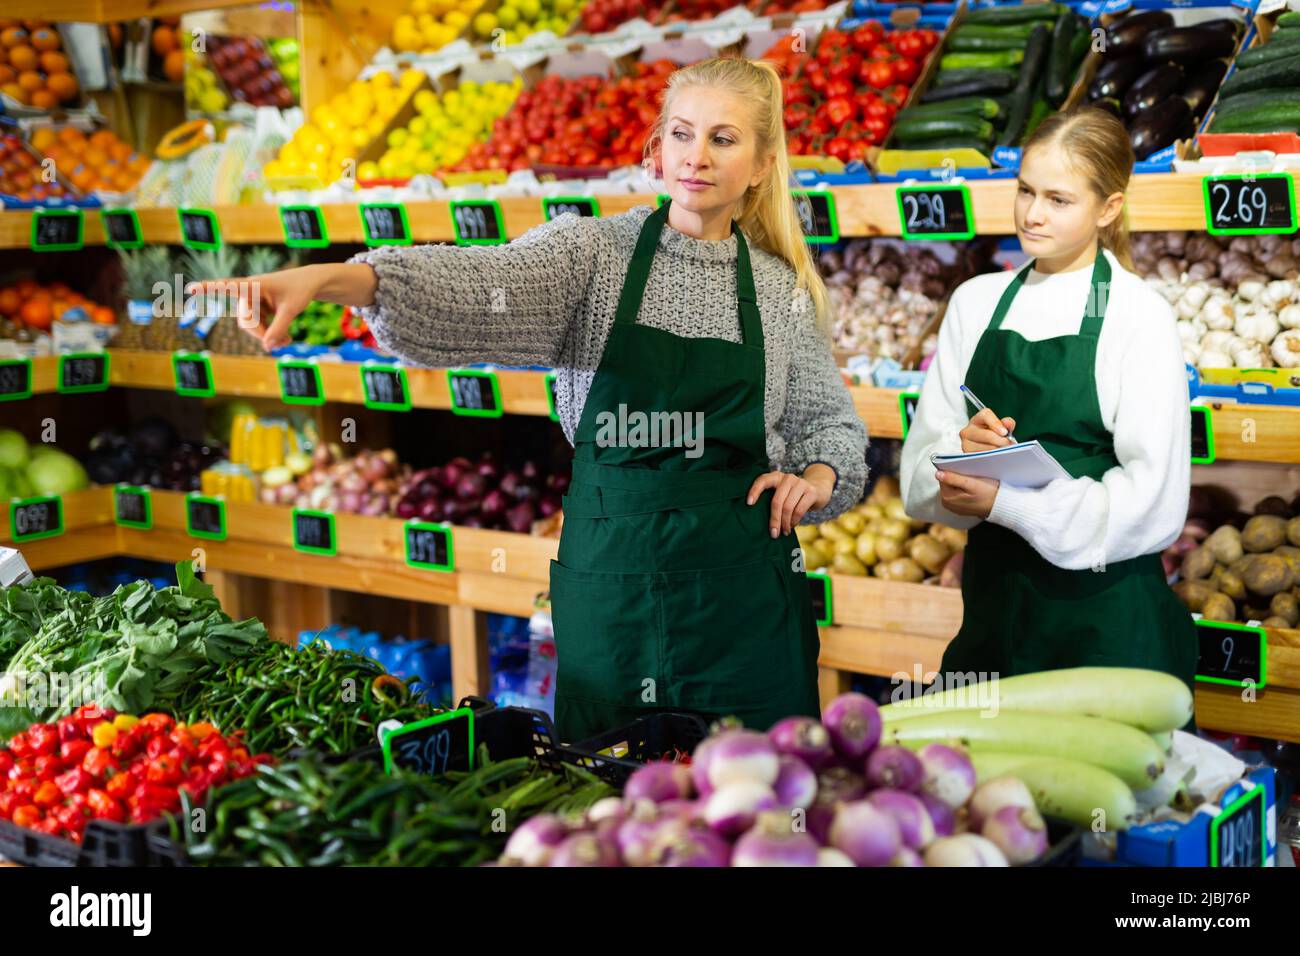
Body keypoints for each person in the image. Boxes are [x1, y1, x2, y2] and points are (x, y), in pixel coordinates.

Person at [211, 56, 868, 742]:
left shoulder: (778, 289)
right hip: (615, 596)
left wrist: (820, 477)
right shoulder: (593, 256)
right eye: (680, 134)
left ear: (762, 164)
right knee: (607, 810)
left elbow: (828, 424)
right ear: (657, 147)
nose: (694, 157)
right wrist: (332, 279)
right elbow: (476, 281)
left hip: (745, 601)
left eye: (722, 140)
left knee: (764, 800)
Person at [899, 106, 1196, 699]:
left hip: (1105, 619)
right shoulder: (975, 302)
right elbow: (914, 478)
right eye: (1025, 190)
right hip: (994, 608)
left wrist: (1011, 503)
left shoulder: (1138, 315)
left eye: (1059, 200)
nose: (1032, 214)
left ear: (1107, 208)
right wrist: (958, 451)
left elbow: (1155, 504)